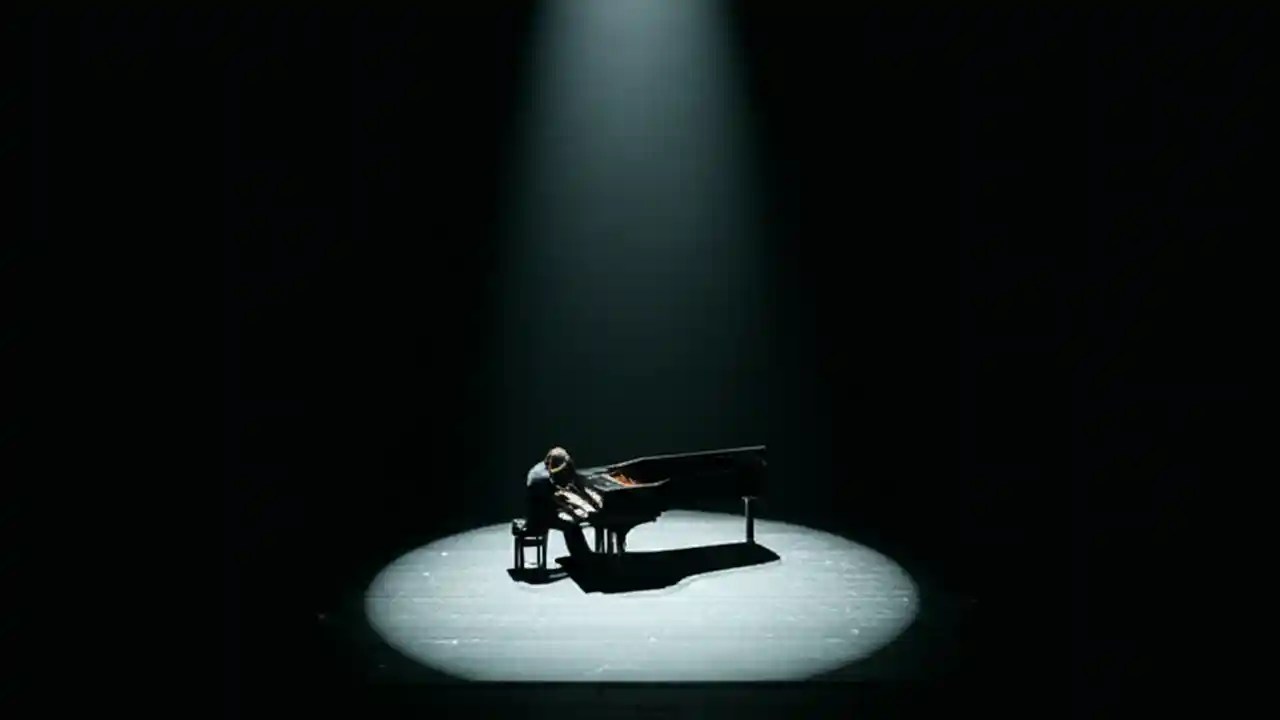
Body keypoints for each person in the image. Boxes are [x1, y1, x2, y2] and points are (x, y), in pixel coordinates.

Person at [525, 446, 602, 560]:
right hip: (538, 516)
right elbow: (558, 500)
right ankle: (582, 558)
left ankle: (583, 555)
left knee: (573, 519)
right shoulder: (541, 478)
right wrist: (577, 511)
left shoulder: (550, 466)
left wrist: (590, 502)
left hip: (550, 507)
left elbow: (573, 485)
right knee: (570, 524)